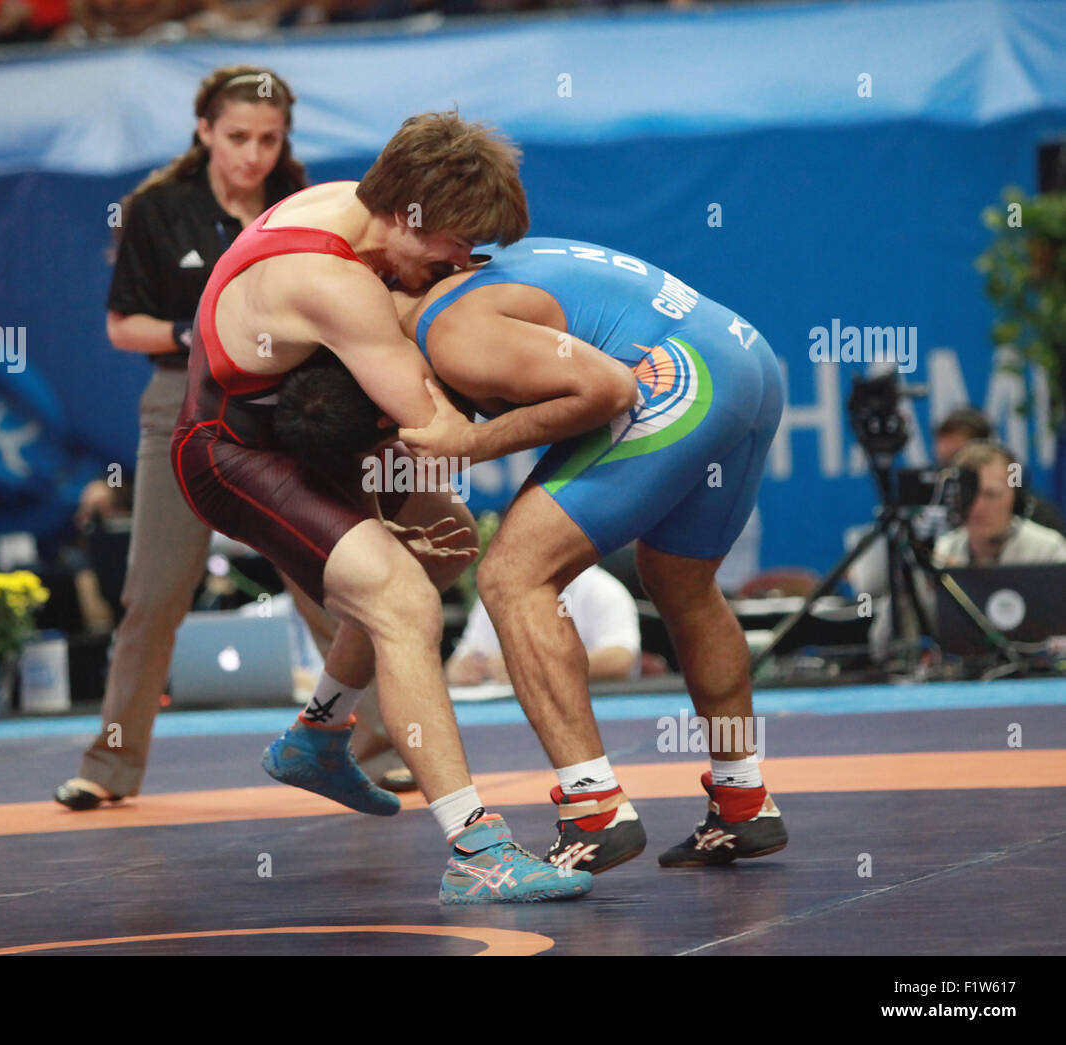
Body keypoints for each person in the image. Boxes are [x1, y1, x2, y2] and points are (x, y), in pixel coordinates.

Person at [172, 112, 592, 903]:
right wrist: (563, 389)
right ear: (407, 214)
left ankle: (318, 735)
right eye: (454, 247)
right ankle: (476, 849)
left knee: (447, 543)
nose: (460, 265)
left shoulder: (354, 210)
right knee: (401, 600)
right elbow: (440, 430)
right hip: (233, 453)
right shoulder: (335, 283)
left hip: (307, 421)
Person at [287, 235, 789, 873]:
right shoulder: (464, 280)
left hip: (679, 376)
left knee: (511, 577)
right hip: (746, 357)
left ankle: (595, 809)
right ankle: (743, 798)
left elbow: (608, 394)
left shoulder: (449, 334)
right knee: (682, 582)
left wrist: (470, 444)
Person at [55, 66, 307, 810]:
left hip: (283, 400)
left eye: (268, 138)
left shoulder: (302, 205)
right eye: (237, 138)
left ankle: (380, 746)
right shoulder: (157, 209)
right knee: (153, 594)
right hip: (183, 398)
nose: (252, 154)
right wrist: (193, 328)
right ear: (203, 131)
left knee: (330, 577)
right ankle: (107, 767)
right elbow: (119, 325)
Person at [447, 565, 641, 685]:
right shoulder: (497, 592)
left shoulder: (602, 588)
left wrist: (537, 669)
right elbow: (458, 661)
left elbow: (621, 660)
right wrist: (463, 668)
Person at [931, 442, 1066, 567]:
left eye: (991, 494)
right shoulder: (943, 553)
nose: (978, 507)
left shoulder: (1049, 553)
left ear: (1016, 498)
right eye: (969, 495)